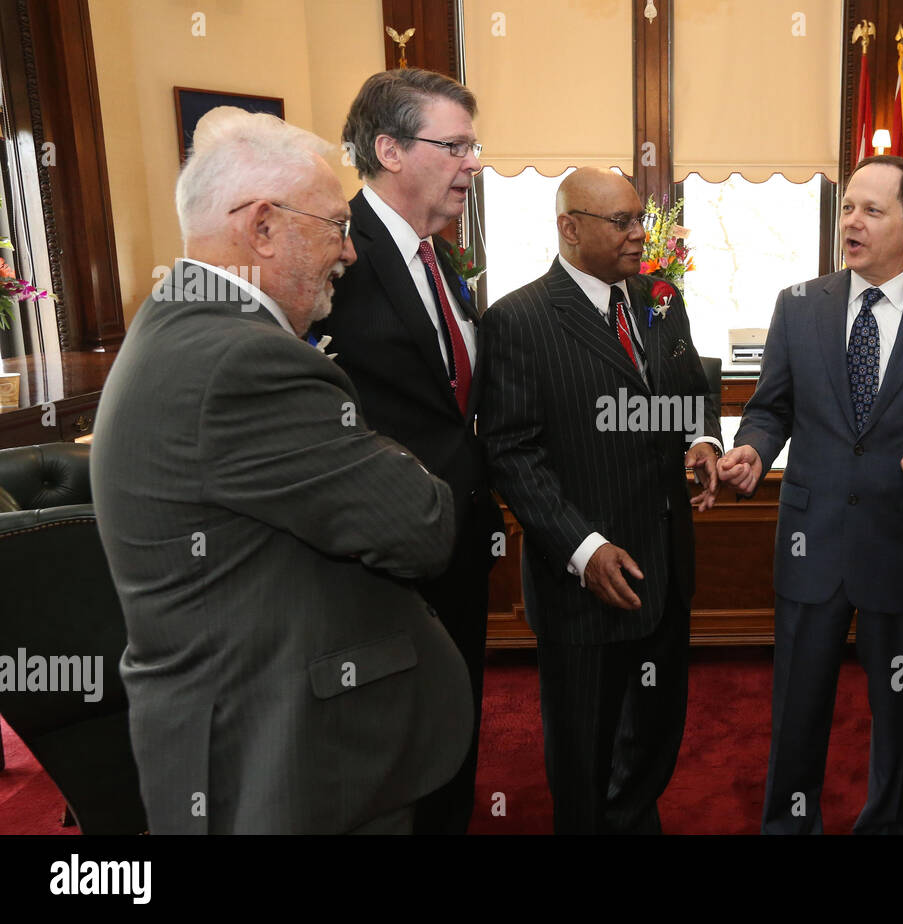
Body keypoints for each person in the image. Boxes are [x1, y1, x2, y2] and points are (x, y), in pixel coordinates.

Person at [90, 108, 472, 834]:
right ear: (262, 226)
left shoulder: (179, 320)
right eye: (335, 225)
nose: (350, 252)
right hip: (287, 758)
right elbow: (422, 524)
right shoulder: (245, 360)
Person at [717, 155, 903, 834]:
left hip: (902, 547)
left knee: (898, 711)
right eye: (848, 207)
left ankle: (887, 825)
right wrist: (754, 448)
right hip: (811, 543)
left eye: (872, 210)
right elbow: (771, 408)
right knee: (797, 707)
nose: (852, 221)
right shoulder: (798, 306)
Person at [478, 167, 722, 834]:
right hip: (584, 584)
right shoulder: (517, 320)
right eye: (622, 222)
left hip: (665, 569)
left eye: (641, 219)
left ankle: (634, 819)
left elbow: (690, 383)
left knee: (656, 731)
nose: (640, 234)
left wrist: (699, 438)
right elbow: (511, 452)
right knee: (583, 748)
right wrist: (584, 549)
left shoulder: (659, 298)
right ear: (570, 226)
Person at [314, 68, 502, 835]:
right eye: (454, 145)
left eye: (473, 144)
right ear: (389, 149)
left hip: (457, 548)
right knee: (395, 758)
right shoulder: (336, 252)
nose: (475, 163)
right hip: (378, 566)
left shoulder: (438, 257)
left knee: (454, 729)